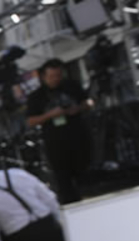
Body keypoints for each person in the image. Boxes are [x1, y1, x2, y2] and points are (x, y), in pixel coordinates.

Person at [26, 59, 93, 203]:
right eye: (52, 76)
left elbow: (89, 102)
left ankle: (90, 195)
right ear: (44, 77)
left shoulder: (71, 86)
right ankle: (71, 201)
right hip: (55, 142)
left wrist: (78, 108)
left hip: (78, 135)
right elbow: (31, 121)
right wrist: (50, 115)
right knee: (63, 177)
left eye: (58, 75)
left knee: (85, 171)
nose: (56, 79)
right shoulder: (36, 97)